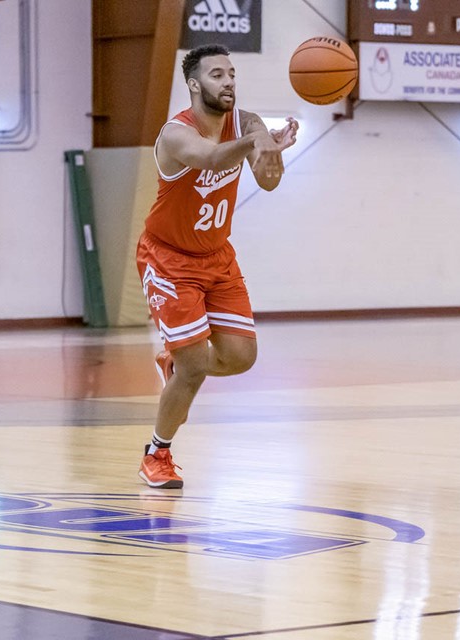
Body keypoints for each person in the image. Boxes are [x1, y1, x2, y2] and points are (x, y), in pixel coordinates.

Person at [135, 44, 299, 488]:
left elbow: (268, 183)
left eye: (231, 73)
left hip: (217, 255)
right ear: (194, 84)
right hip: (168, 259)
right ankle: (157, 453)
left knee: (242, 357)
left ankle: (175, 362)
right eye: (216, 75)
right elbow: (208, 158)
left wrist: (272, 153)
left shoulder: (247, 121)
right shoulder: (175, 134)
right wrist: (254, 141)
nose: (228, 81)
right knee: (194, 369)